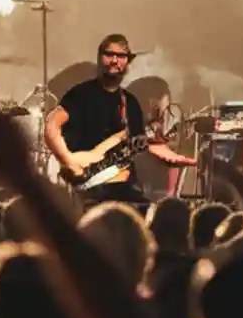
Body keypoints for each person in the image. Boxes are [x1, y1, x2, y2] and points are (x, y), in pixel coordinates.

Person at [43, 34, 192, 202]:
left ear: (127, 63)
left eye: (121, 56)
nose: (115, 61)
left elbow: (140, 142)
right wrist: (68, 160)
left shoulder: (130, 102)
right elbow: (51, 126)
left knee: (149, 207)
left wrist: (166, 152)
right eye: (109, 55)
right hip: (89, 189)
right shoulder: (80, 94)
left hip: (123, 187)